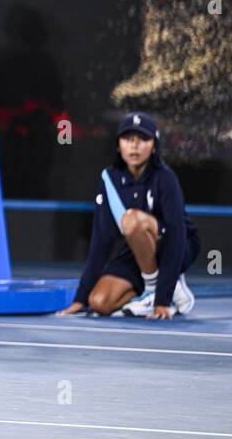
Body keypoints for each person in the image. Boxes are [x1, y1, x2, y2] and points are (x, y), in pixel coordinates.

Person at [57, 113, 198, 319]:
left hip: (178, 244)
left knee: (132, 220)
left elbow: (176, 235)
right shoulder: (109, 179)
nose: (134, 146)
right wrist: (80, 298)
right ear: (118, 145)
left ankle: (160, 289)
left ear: (154, 146)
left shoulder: (165, 178)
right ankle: (146, 293)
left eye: (142, 139)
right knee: (100, 303)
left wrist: (161, 299)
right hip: (137, 250)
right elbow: (101, 241)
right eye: (128, 139)